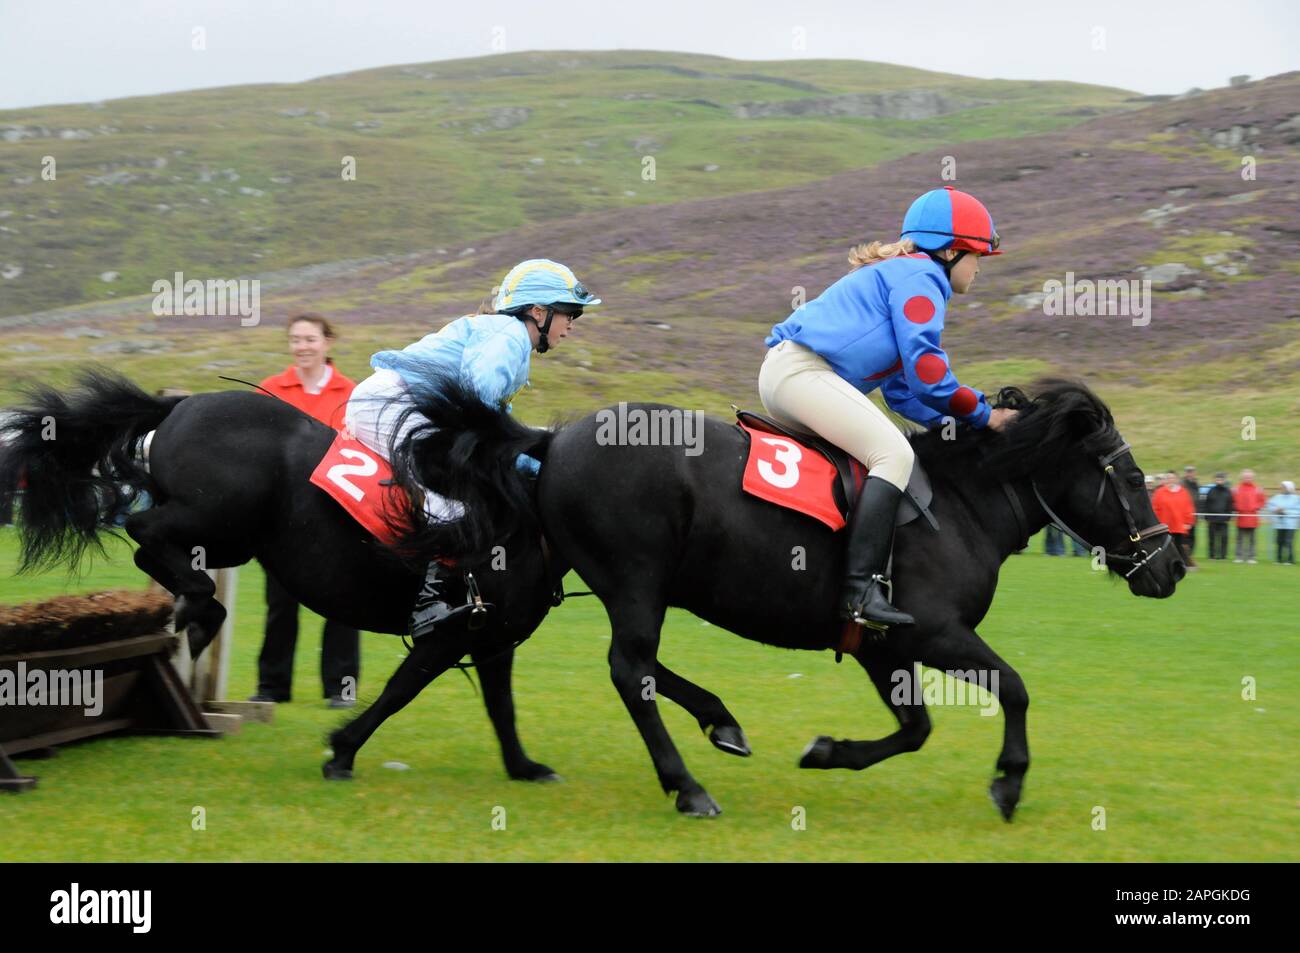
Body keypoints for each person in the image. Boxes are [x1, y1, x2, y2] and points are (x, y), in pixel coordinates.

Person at [759, 186, 1017, 629]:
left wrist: (960, 426)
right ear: (952, 251)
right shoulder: (923, 279)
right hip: (802, 375)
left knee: (879, 454)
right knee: (894, 455)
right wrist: (984, 415)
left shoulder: (905, 274)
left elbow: (903, 392)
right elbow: (930, 373)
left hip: (794, 375)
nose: (978, 270)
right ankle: (861, 591)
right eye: (978, 257)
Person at [344, 259, 599, 639]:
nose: (571, 326)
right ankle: (428, 603)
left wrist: (533, 464)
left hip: (399, 403)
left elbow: (492, 422)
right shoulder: (511, 338)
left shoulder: (509, 338)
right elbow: (477, 404)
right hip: (392, 405)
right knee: (455, 505)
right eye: (569, 314)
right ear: (539, 312)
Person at [251, 314, 362, 708]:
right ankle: (271, 688)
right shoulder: (269, 390)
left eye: (310, 339)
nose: (302, 346)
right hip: (281, 518)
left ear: (327, 342)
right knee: (281, 603)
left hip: (337, 513)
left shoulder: (353, 393)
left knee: (345, 602)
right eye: (296, 339)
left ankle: (341, 689)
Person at [1151, 471, 1196, 568]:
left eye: (1172, 478)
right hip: (1164, 526)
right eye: (1168, 478)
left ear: (1176, 479)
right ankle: (1164, 565)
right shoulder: (1159, 492)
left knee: (1179, 546)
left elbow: (1188, 508)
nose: (1170, 480)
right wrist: (1156, 523)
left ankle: (1183, 564)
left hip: (1179, 525)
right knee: (1164, 546)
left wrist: (1188, 522)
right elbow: (1155, 508)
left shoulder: (1183, 492)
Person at [1233, 469, 1265, 564]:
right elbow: (1232, 501)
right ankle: (1239, 556)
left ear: (1253, 478)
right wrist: (1238, 507)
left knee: (1252, 540)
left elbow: (1262, 502)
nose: (1247, 478)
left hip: (1252, 518)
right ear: (1242, 478)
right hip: (1241, 517)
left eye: (1249, 477)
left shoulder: (1258, 489)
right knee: (1239, 539)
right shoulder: (1236, 489)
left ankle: (1252, 557)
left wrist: (1255, 507)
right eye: (1246, 477)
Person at [1266, 480, 1299, 564]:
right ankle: (1278, 559)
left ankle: (1290, 560)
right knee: (1279, 541)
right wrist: (1275, 510)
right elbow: (1269, 505)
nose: (1282, 488)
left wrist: (1286, 512)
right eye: (1281, 487)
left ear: (1289, 488)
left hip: (1290, 524)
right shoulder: (1277, 497)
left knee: (1288, 542)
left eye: (1284, 487)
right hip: (1279, 524)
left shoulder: (1296, 498)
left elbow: (1298, 511)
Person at [1203, 471, 1234, 560]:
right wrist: (1207, 516)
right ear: (1215, 480)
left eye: (1221, 479)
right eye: (1218, 479)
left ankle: (1223, 556)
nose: (1219, 481)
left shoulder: (1228, 491)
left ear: (1224, 480)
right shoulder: (1211, 491)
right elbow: (1206, 504)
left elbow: (1230, 504)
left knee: (1224, 538)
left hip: (1223, 520)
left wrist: (1228, 516)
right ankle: (1211, 555)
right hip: (1212, 519)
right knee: (1212, 538)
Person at [1181, 465, 1200, 562]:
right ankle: (1184, 555)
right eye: (1188, 472)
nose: (1190, 473)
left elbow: (1198, 499)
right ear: (1185, 473)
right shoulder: (1182, 484)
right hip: (1184, 515)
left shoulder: (1196, 484)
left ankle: (1189, 555)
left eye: (1192, 471)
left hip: (1194, 515)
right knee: (1184, 537)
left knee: (1192, 537)